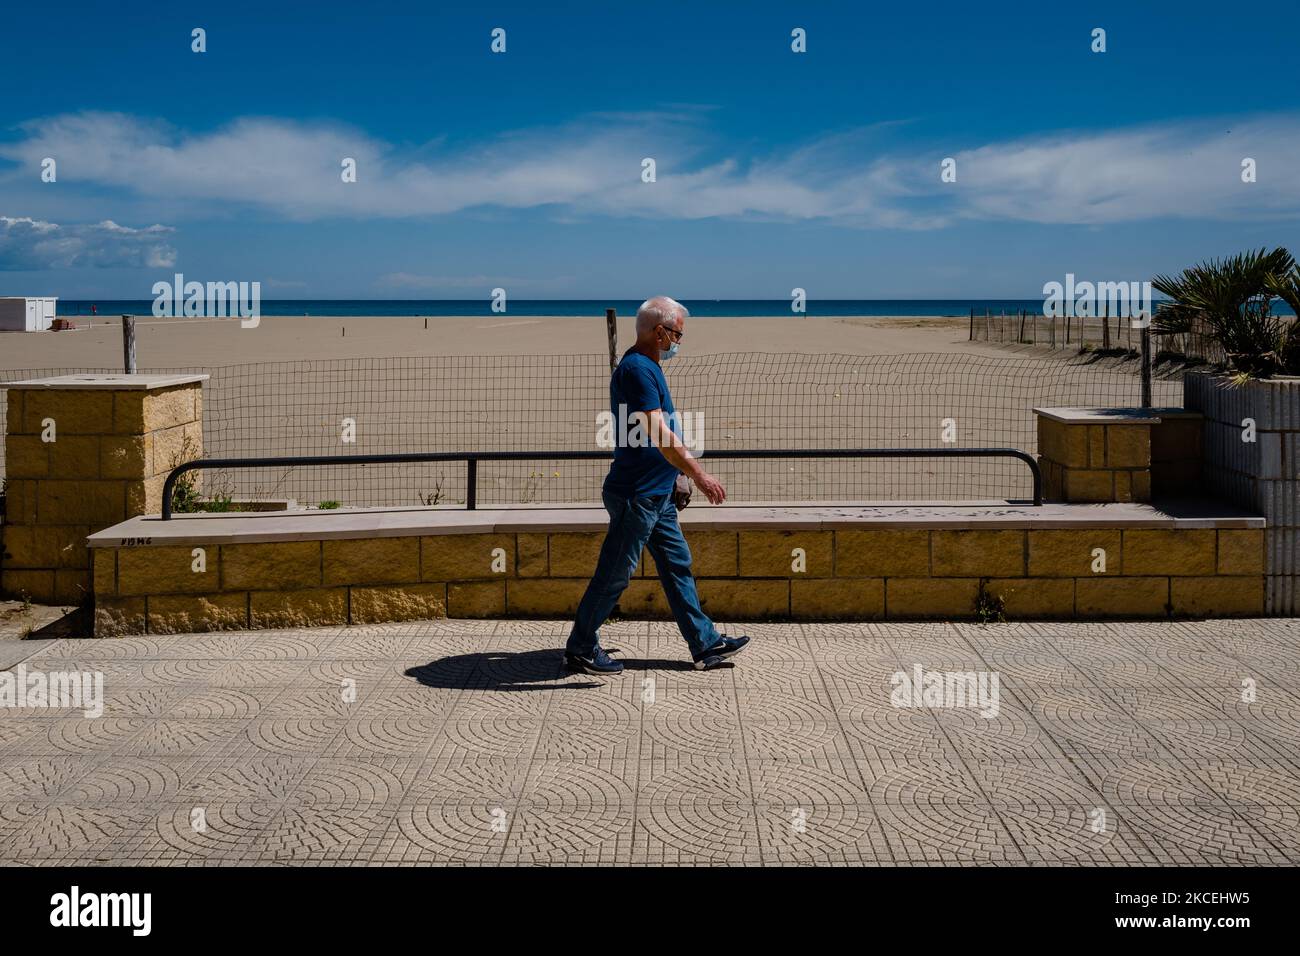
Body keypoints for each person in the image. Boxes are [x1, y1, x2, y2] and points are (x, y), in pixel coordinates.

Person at [565, 296, 751, 674]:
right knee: (615, 573)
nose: (679, 341)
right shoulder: (637, 370)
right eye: (678, 334)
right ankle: (581, 647)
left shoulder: (648, 367)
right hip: (637, 494)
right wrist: (698, 474)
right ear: (659, 331)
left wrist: (676, 476)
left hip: (657, 493)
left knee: (677, 564)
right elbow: (658, 432)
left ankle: (705, 642)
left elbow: (660, 434)